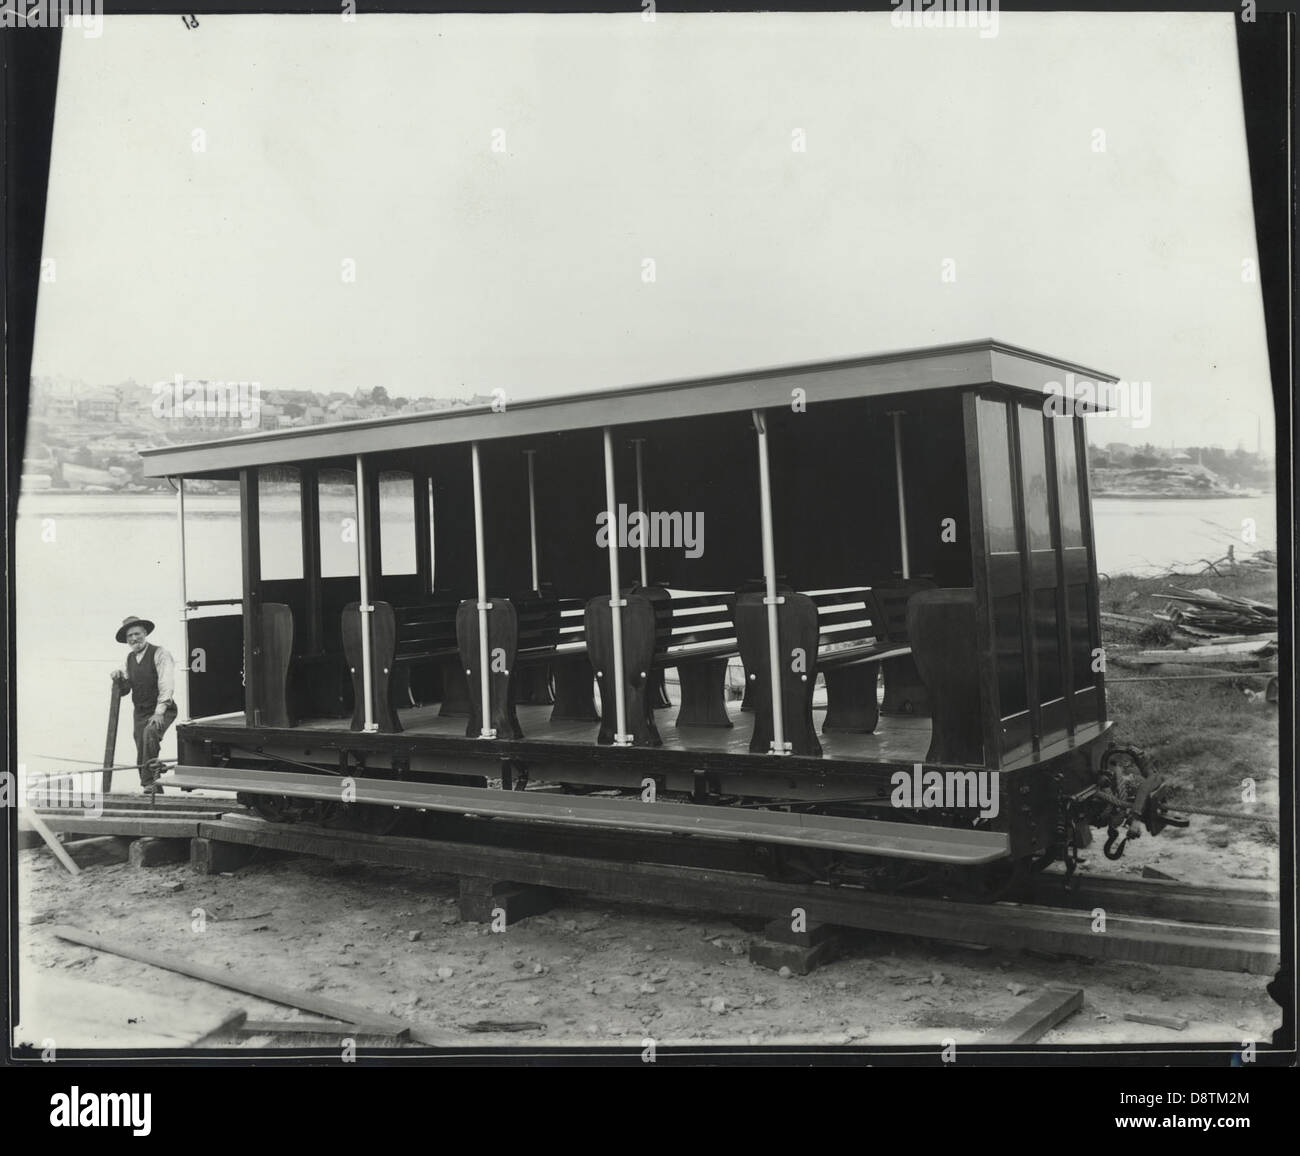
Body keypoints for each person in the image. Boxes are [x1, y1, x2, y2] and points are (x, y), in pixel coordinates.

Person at [110, 615, 177, 793]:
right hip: (140, 711)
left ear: (145, 633)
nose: (133, 638)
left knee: (150, 733)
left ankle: (149, 784)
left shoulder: (160, 653)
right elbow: (126, 689)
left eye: (137, 634)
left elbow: (166, 684)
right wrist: (118, 678)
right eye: (129, 636)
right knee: (141, 744)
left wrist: (159, 712)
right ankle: (153, 787)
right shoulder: (129, 658)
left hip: (162, 709)